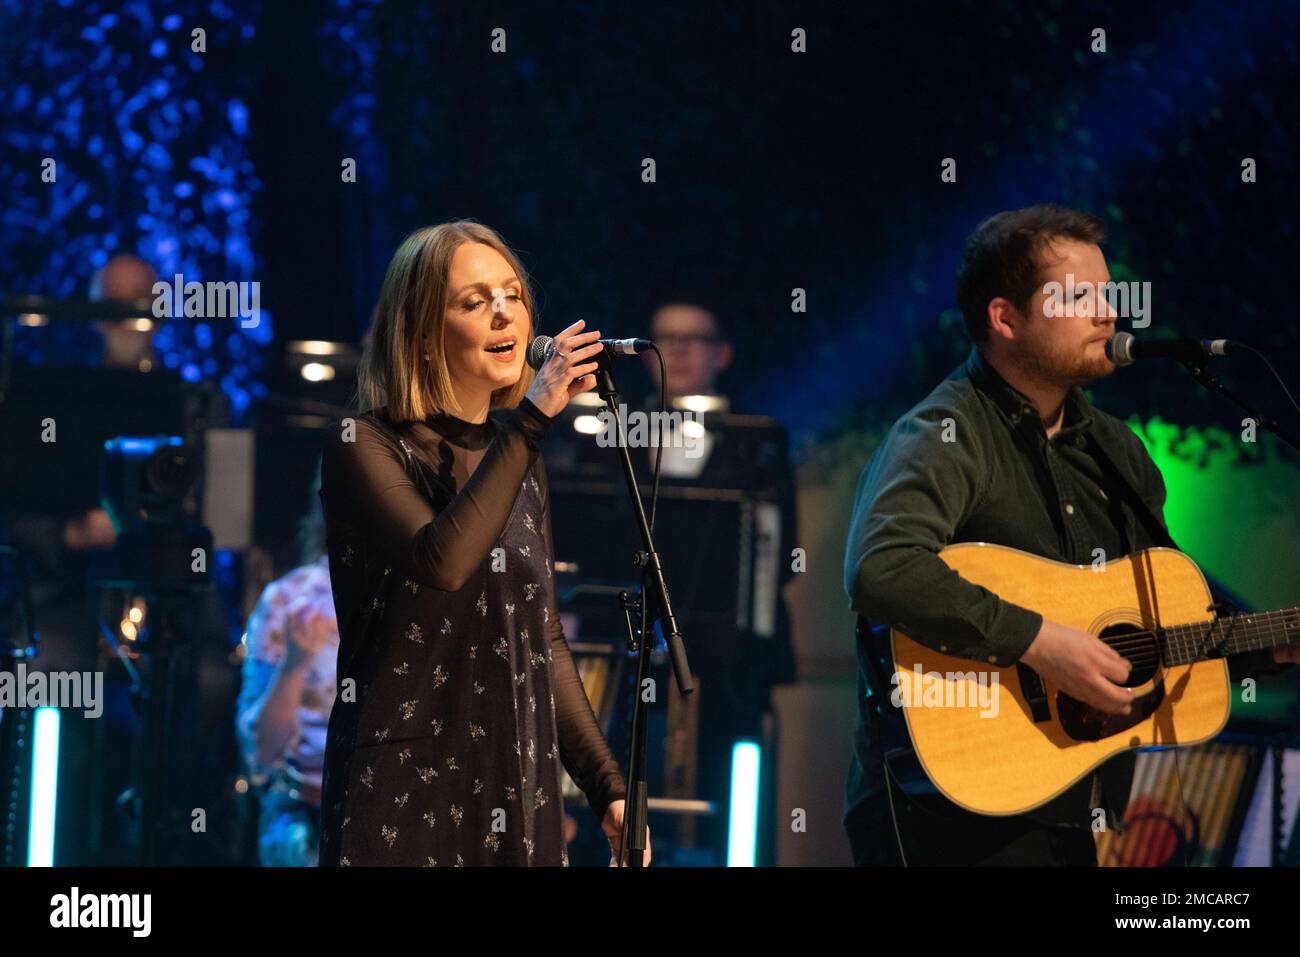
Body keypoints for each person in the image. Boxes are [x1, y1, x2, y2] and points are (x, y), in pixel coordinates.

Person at [841, 204, 1296, 866]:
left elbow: (1164, 623)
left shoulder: (1119, 450)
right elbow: (881, 568)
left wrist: (1270, 647)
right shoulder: (943, 434)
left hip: (1074, 796)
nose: (1109, 313)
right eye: (1080, 296)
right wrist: (1042, 642)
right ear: (1004, 318)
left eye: (1109, 294)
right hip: (945, 811)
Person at [317, 221, 645, 866]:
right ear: (423, 335)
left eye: (514, 296)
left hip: (513, 772)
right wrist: (531, 423)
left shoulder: (520, 454)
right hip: (403, 778)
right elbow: (443, 562)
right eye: (473, 301)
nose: (504, 314)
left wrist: (606, 784)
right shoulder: (364, 444)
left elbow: (542, 636)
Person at [236, 467, 337, 866]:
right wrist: (295, 664)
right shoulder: (290, 599)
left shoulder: (416, 598)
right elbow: (262, 749)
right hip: (302, 818)